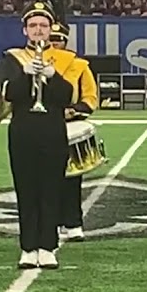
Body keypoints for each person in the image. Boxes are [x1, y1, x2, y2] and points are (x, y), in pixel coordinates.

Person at [0, 0, 81, 270]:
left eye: (43, 25)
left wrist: (52, 77)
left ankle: (48, 245)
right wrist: (26, 72)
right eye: (33, 26)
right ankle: (28, 246)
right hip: (23, 130)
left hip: (52, 130)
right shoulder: (12, 58)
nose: (38, 30)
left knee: (51, 188)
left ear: (50, 28)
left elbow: (68, 96)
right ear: (25, 30)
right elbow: (8, 93)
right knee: (26, 188)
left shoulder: (63, 59)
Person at [48, 20, 99, 243]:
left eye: (58, 40)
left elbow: (90, 98)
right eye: (51, 40)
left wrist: (74, 110)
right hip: (44, 124)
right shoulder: (33, 61)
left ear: (65, 41)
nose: (54, 44)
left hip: (69, 124)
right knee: (46, 177)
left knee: (72, 177)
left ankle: (73, 222)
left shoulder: (79, 66)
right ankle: (51, 222)